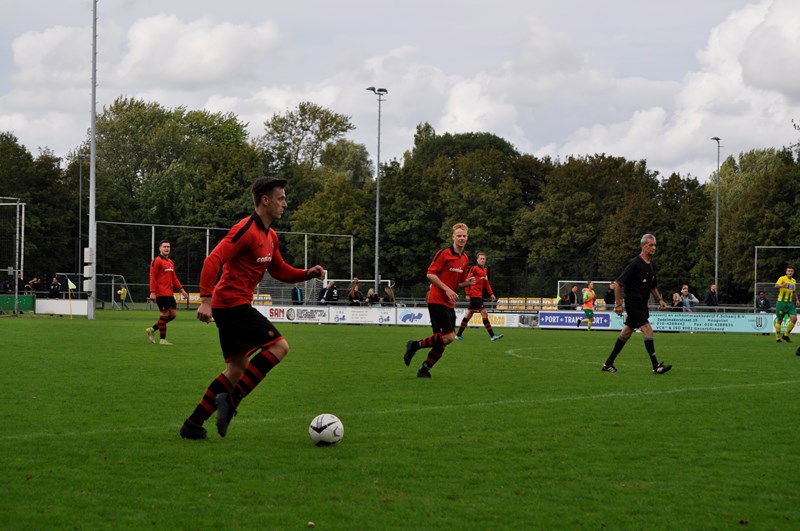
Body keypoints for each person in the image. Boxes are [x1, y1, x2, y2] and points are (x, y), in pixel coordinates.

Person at [180, 176, 325, 440]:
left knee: (237, 369)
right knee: (279, 347)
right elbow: (213, 260)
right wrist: (205, 301)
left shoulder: (271, 236)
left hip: (233, 305)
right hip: (230, 303)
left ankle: (192, 425)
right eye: (281, 198)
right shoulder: (245, 230)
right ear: (265, 200)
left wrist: (307, 274)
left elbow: (279, 270)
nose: (285, 204)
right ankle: (231, 401)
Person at [403, 223, 476, 378]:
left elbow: (458, 283)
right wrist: (447, 289)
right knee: (449, 337)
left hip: (449, 303)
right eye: (459, 235)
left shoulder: (464, 258)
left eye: (464, 236)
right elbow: (430, 274)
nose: (462, 238)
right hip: (436, 299)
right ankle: (415, 345)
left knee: (442, 341)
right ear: (453, 237)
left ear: (467, 238)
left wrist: (467, 283)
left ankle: (424, 370)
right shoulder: (444, 253)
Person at [601, 234, 672, 374]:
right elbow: (618, 284)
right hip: (633, 303)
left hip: (642, 304)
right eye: (651, 245)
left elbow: (653, 286)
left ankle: (608, 363)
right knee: (648, 330)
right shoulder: (635, 263)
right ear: (643, 246)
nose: (654, 248)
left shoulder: (652, 265)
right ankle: (656, 366)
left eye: (655, 245)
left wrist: (660, 300)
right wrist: (618, 304)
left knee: (626, 333)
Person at [145, 240, 189, 346]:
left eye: (168, 247)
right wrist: (152, 292)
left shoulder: (170, 262)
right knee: (164, 315)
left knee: (173, 315)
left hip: (169, 293)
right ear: (160, 248)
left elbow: (174, 278)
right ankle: (162, 340)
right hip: (161, 293)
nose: (166, 248)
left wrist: (182, 290)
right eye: (164, 246)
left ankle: (152, 329)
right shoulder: (156, 261)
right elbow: (152, 277)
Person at [455, 252, 502, 341]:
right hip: (474, 295)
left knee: (469, 314)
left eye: (484, 259)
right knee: (484, 313)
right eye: (481, 259)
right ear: (477, 260)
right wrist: (467, 294)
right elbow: (467, 281)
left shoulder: (485, 270)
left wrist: (491, 293)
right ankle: (492, 335)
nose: (482, 260)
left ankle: (458, 335)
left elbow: (486, 283)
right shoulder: (474, 269)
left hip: (479, 295)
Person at [773, 265, 798, 343]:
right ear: (786, 272)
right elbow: (776, 286)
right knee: (779, 320)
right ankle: (777, 338)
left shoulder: (793, 281)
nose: (790, 272)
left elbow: (794, 291)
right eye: (789, 271)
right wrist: (781, 285)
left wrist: (797, 300)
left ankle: (785, 335)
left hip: (790, 303)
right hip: (781, 303)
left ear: (793, 272)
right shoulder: (782, 278)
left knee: (794, 319)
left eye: (791, 271)